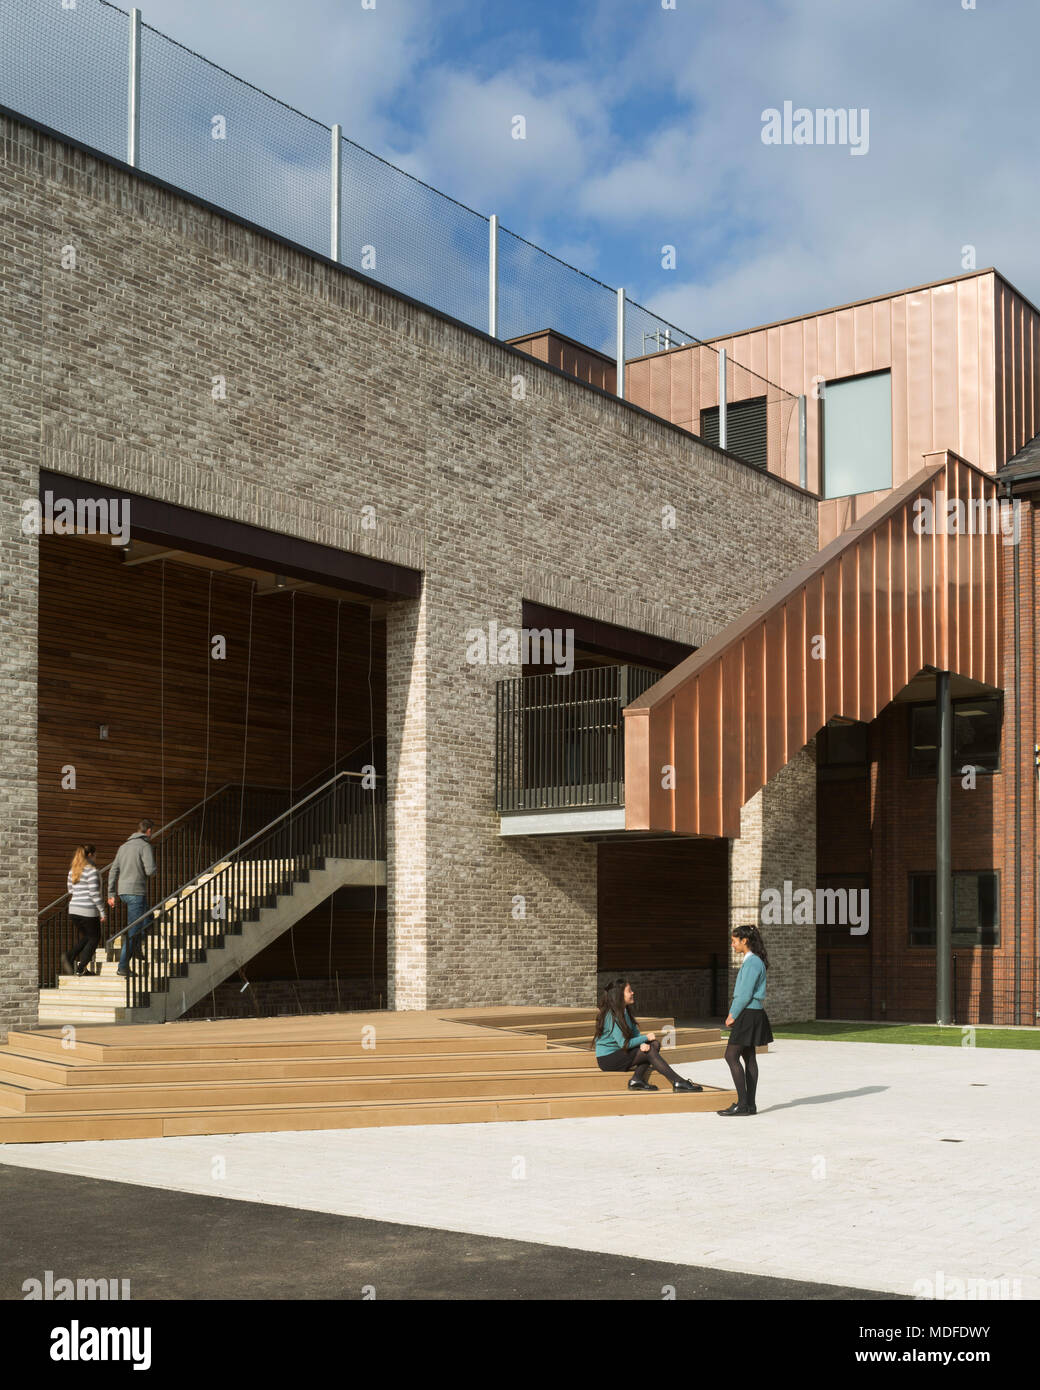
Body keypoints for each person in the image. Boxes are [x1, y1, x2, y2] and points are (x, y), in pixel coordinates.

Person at [594, 978, 702, 1093]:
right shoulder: (612, 1015)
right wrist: (645, 1038)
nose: (633, 993)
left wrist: (642, 1043)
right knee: (650, 1050)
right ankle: (677, 1081)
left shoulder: (625, 1011)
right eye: (629, 991)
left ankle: (637, 1079)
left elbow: (635, 1034)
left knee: (654, 1044)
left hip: (620, 1053)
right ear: (620, 995)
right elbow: (624, 1043)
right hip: (609, 1059)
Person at [718, 925, 774, 1116]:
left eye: (734, 941)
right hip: (754, 1014)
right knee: (749, 1057)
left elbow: (744, 994)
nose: (732, 945)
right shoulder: (754, 961)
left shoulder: (751, 963)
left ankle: (743, 1105)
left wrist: (732, 1014)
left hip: (748, 1014)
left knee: (731, 1056)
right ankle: (750, 1105)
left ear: (744, 941)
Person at [107, 819, 157, 977]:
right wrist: (153, 869)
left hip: (123, 892)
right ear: (148, 831)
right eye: (152, 831)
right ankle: (123, 966)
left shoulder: (123, 847)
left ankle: (136, 948)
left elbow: (113, 870)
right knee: (133, 930)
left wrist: (111, 894)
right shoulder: (145, 846)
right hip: (136, 892)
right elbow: (150, 871)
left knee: (149, 917)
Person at [61, 844, 106, 977]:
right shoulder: (92, 871)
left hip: (74, 910)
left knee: (88, 936)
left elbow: (70, 890)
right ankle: (80, 968)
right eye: (96, 855)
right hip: (88, 910)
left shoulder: (73, 871)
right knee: (94, 937)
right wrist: (102, 911)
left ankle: (69, 956)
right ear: (91, 855)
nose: (96, 858)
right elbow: (94, 894)